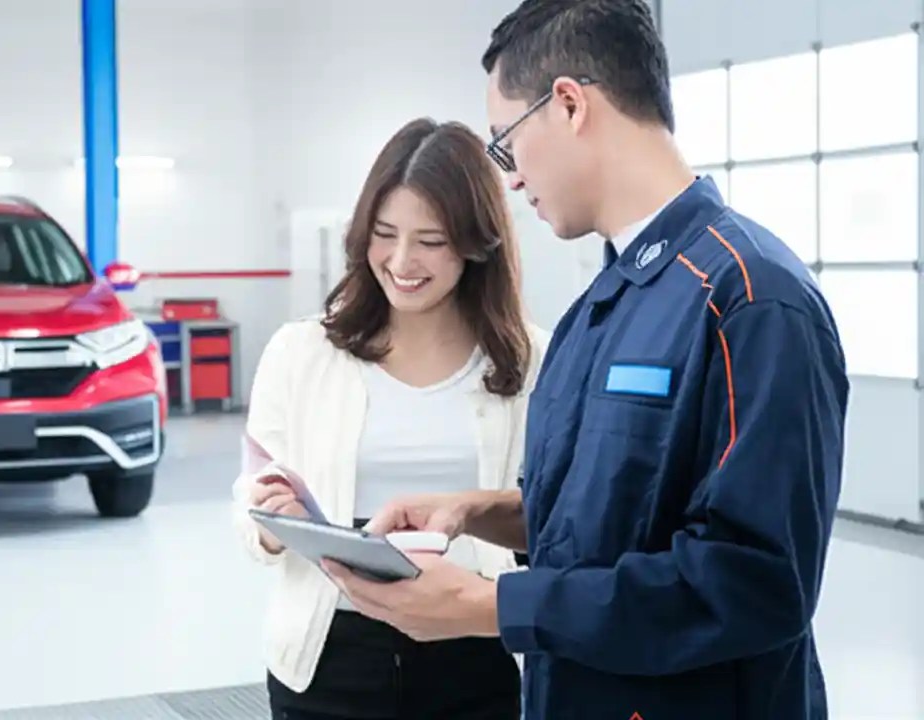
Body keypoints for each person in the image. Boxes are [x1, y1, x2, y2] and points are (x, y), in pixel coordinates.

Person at [322, 2, 850, 719]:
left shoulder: (751, 298)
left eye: (506, 142)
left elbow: (755, 584)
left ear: (569, 104)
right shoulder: (604, 305)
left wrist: (493, 605)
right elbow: (607, 519)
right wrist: (474, 511)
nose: (509, 178)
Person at [232, 117, 549, 720]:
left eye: (431, 241)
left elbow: (555, 512)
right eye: (384, 234)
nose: (402, 261)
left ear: (476, 243)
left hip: (478, 648)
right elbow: (251, 492)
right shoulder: (300, 352)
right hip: (328, 657)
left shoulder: (535, 360)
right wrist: (273, 524)